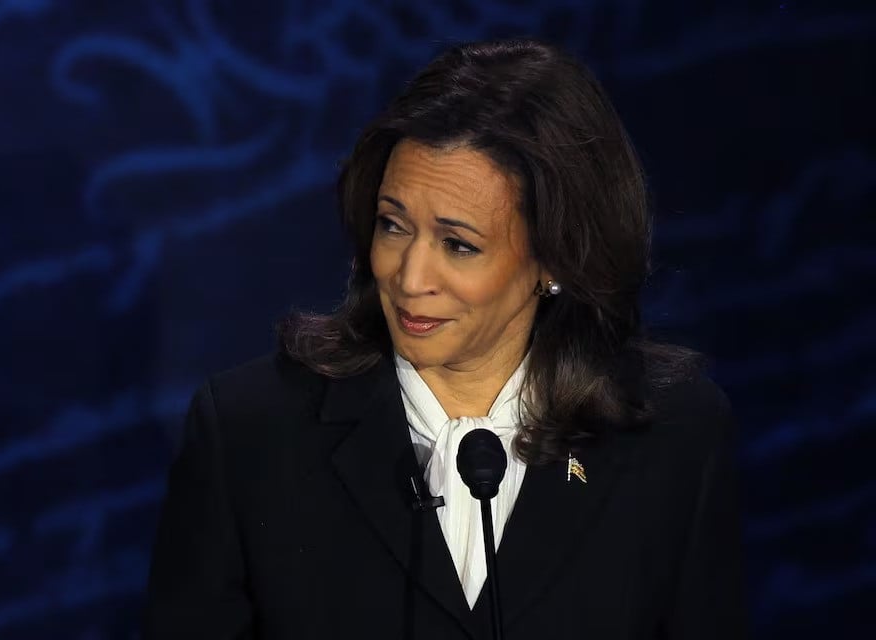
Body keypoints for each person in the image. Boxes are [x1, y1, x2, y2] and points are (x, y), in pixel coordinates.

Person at [141, 38, 746, 639]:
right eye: (393, 226)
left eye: (459, 244)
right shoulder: (249, 434)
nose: (410, 277)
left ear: (556, 259)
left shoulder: (674, 436)